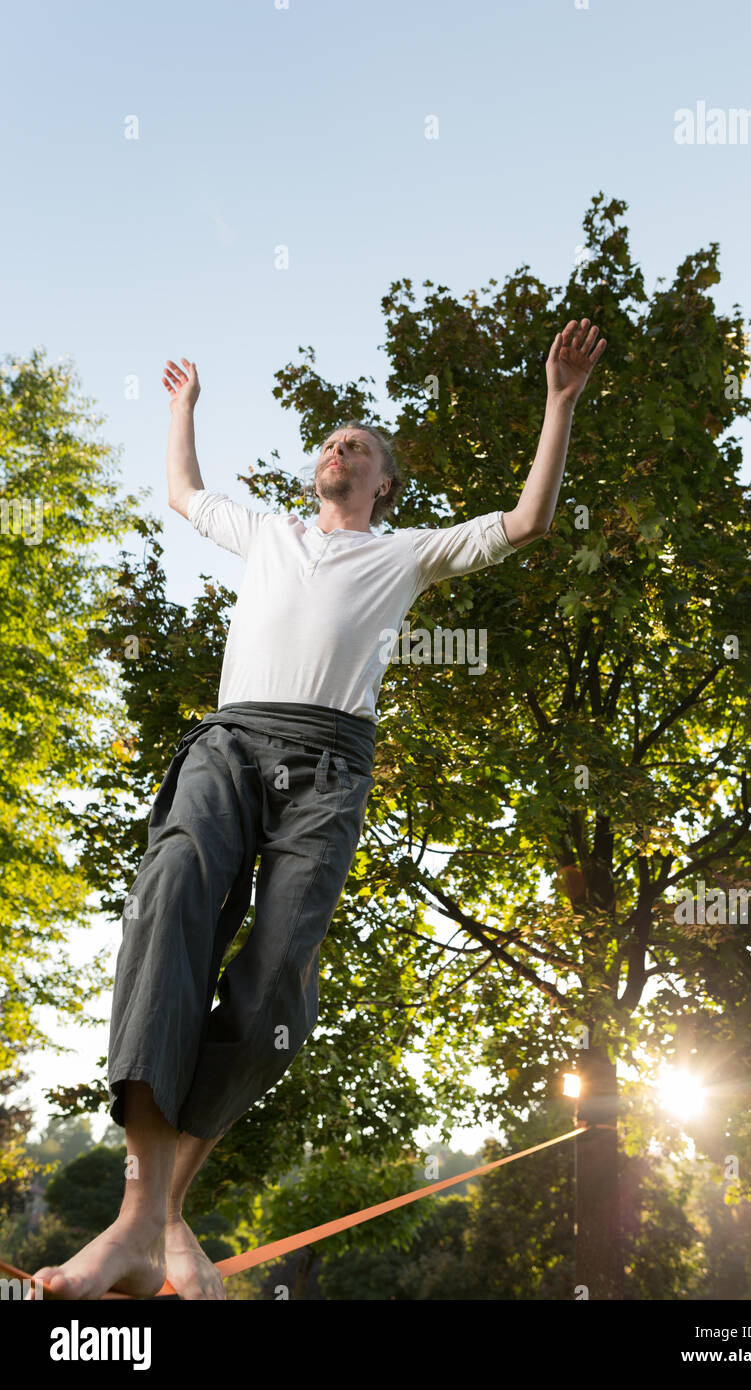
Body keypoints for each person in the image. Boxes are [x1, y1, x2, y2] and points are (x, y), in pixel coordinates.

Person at [30, 317, 606, 1300]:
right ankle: (140, 1221)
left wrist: (557, 403)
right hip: (229, 738)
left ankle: (158, 1224)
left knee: (274, 977)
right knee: (170, 899)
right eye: (331, 442)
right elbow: (182, 493)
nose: (341, 447)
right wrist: (183, 408)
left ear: (383, 485)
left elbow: (525, 522)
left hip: (330, 764)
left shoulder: (406, 553)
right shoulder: (269, 531)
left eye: (363, 447)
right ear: (315, 473)